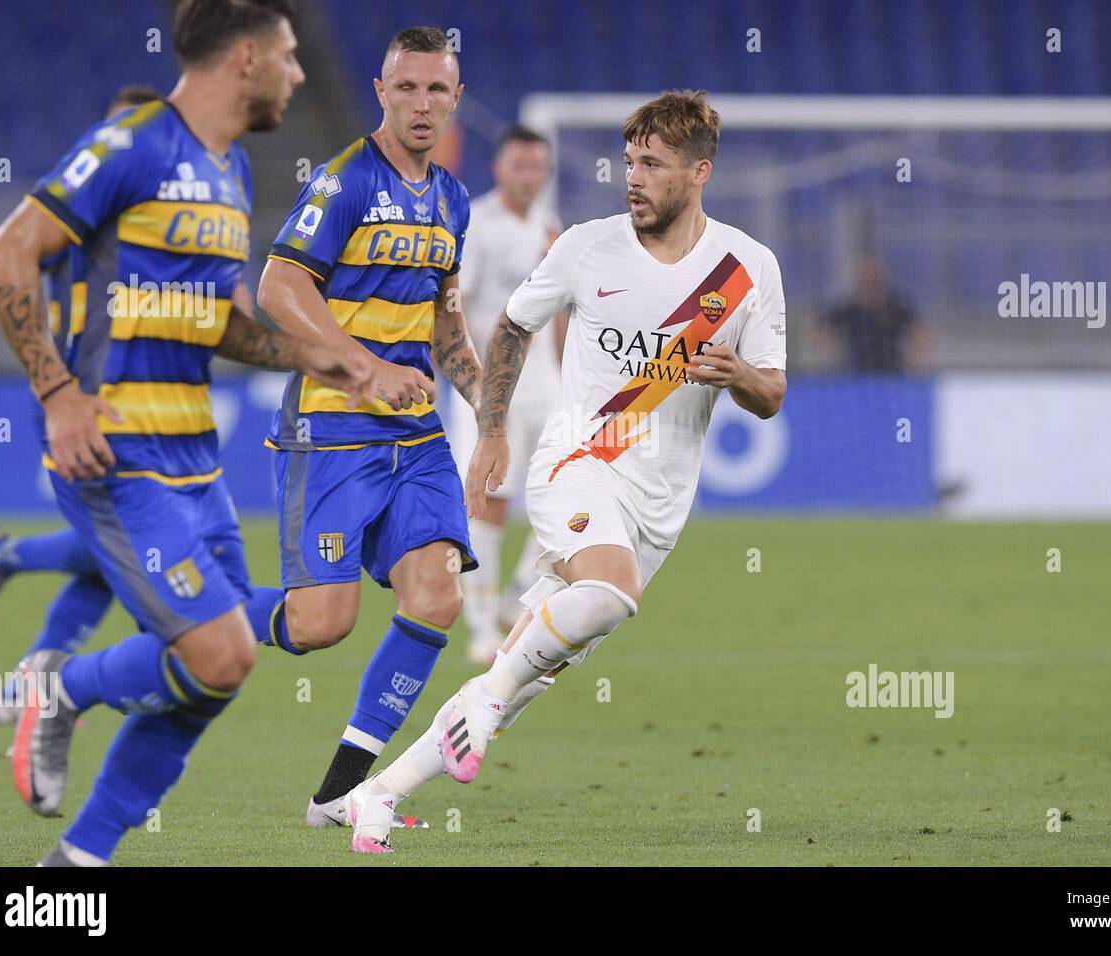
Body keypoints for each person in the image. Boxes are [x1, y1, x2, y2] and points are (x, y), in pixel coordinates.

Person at [0, 0, 387, 866]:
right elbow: (5, 255)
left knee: (219, 669)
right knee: (220, 650)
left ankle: (76, 866)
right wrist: (57, 393)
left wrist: (330, 358)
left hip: (193, 457)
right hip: (115, 452)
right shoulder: (133, 143)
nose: (300, 73)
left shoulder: (230, 167)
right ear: (245, 58)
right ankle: (61, 687)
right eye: (288, 55)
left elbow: (221, 325)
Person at [344, 89, 788, 853]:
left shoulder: (747, 270)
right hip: (577, 460)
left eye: (652, 164)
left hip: (659, 505)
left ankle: (375, 794)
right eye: (629, 162)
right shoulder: (587, 244)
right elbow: (512, 324)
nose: (634, 178)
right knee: (612, 591)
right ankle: (478, 707)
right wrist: (490, 434)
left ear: (699, 171)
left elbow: (772, 393)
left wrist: (738, 372)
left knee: (521, 676)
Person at [252, 26, 482, 829]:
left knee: (436, 595)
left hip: (413, 436)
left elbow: (444, 322)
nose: (422, 104)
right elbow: (279, 288)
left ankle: (337, 795)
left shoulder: (452, 199)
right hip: (334, 429)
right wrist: (366, 367)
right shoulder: (345, 180)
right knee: (322, 624)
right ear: (382, 93)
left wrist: (488, 408)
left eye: (438, 90)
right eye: (407, 88)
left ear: (456, 99)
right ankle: (199, 614)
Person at [0, 84, 160, 726]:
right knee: (122, 544)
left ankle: (31, 668)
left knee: (108, 546)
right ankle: (7, 568)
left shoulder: (162, 210)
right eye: (114, 133)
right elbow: (9, 259)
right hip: (75, 395)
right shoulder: (76, 198)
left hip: (137, 401)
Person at [447, 124, 563, 664]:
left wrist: (566, 373)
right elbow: (452, 309)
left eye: (537, 166)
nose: (529, 176)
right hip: (489, 386)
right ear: (499, 168)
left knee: (562, 492)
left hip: (544, 383)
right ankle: (480, 628)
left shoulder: (550, 229)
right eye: (519, 165)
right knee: (488, 502)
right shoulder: (477, 223)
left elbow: (559, 313)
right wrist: (468, 384)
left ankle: (516, 595)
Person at [822, 253, 925, 373]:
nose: (871, 278)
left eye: (874, 273)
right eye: (866, 274)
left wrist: (914, 358)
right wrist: (831, 352)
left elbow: (920, 328)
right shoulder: (850, 309)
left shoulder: (895, 307)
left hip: (892, 373)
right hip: (856, 374)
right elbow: (821, 325)